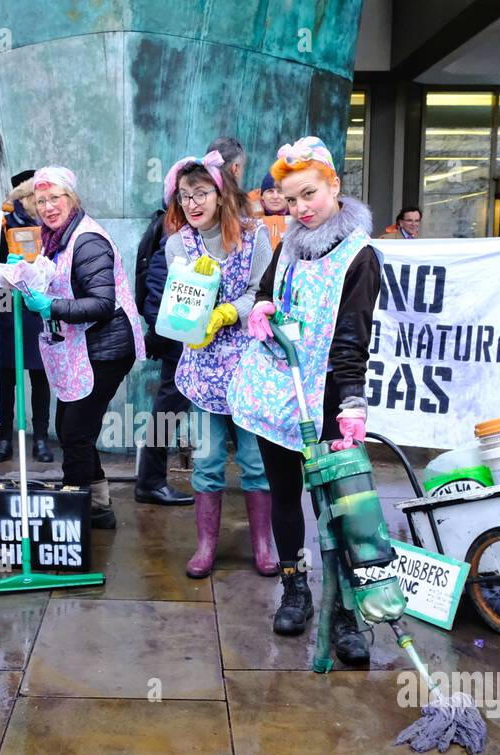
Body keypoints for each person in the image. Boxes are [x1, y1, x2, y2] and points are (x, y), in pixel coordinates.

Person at [229, 136, 381, 666]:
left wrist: (352, 402)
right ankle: (296, 589)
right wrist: (261, 309)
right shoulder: (289, 243)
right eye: (291, 200)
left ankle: (345, 612)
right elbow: (269, 291)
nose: (301, 208)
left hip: (327, 401)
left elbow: (352, 339)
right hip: (278, 394)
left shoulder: (360, 256)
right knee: (284, 497)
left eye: (309, 194)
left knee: (336, 511)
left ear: (334, 184)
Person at [162, 151, 277, 578]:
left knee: (255, 461)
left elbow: (261, 292)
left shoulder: (255, 235)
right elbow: (177, 309)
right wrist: (194, 303)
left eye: (201, 193)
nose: (192, 203)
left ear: (220, 193)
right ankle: (206, 545)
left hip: (251, 365)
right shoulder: (178, 244)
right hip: (204, 370)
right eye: (184, 195)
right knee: (208, 461)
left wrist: (228, 312)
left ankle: (263, 544)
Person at [21, 166, 146, 528]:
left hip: (106, 348)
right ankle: (98, 507)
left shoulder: (87, 240)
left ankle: (71, 519)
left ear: (71, 199)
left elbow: (103, 303)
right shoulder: (56, 236)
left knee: (75, 431)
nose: (47, 206)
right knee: (74, 426)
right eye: (41, 200)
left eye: (54, 198)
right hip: (84, 347)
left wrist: (51, 307)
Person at [133, 202, 193, 506]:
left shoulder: (184, 229)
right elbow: (157, 288)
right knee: (167, 412)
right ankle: (150, 482)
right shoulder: (174, 232)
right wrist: (167, 333)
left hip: (185, 339)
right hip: (180, 341)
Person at [0, 170, 53, 464]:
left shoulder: (51, 224)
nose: (42, 204)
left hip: (38, 306)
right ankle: (4, 438)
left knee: (41, 376)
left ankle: (41, 438)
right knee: (6, 378)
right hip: (7, 307)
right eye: (36, 197)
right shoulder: (0, 223)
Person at [253, 172, 288, 250]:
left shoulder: (300, 218)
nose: (275, 197)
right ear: (262, 195)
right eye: (270, 191)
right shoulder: (247, 218)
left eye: (280, 191)